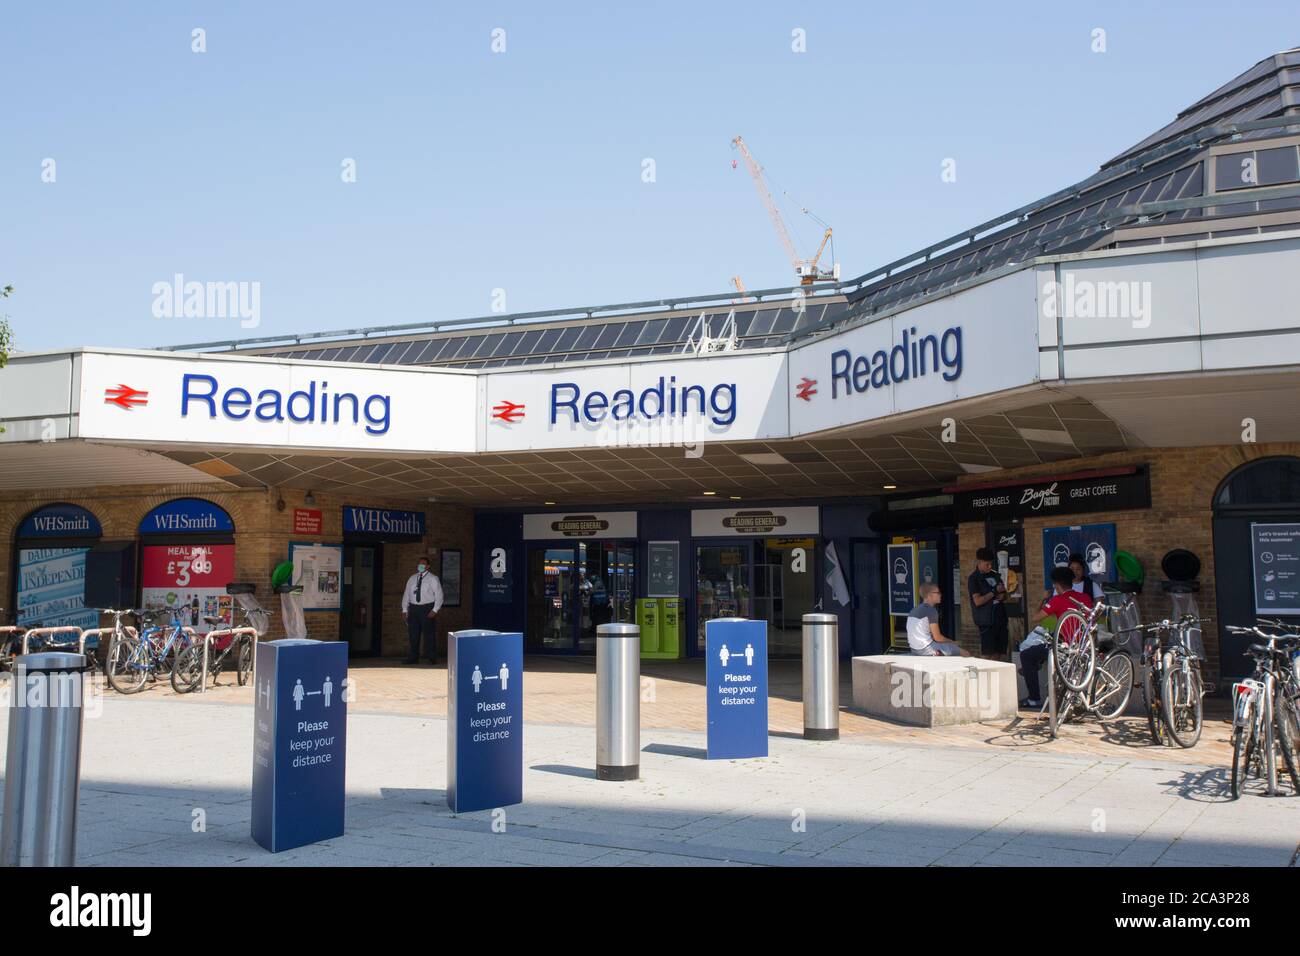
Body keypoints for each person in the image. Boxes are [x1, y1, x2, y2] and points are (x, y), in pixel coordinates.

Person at [1019, 566, 1095, 708]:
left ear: (1056, 585)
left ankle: (1034, 698)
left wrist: (1042, 600)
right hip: (1084, 647)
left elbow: (1035, 617)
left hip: (1065, 648)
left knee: (1026, 655)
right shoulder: (1085, 598)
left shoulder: (1057, 600)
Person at [401, 554, 444, 665]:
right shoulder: (412, 578)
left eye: (423, 564)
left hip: (427, 608)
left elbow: (439, 595)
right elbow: (406, 594)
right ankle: (413, 657)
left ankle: (431, 657)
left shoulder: (432, 578)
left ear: (428, 566)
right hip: (414, 608)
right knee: (413, 634)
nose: (420, 565)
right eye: (419, 563)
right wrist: (404, 609)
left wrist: (435, 610)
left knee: (429, 634)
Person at [968, 547, 1009, 660]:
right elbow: (977, 601)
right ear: (979, 562)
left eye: (991, 564)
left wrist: (1003, 595)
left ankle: (994, 676)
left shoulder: (995, 575)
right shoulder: (974, 578)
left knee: (998, 651)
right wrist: (994, 592)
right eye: (987, 564)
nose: (990, 566)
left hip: (1000, 617)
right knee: (987, 652)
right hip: (986, 620)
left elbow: (1003, 593)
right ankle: (984, 676)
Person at [907, 582, 969, 656]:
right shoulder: (930, 610)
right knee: (965, 653)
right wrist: (952, 642)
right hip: (926, 649)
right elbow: (938, 637)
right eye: (938, 593)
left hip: (914, 650)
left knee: (949, 647)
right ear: (929, 595)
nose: (940, 595)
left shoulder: (914, 610)